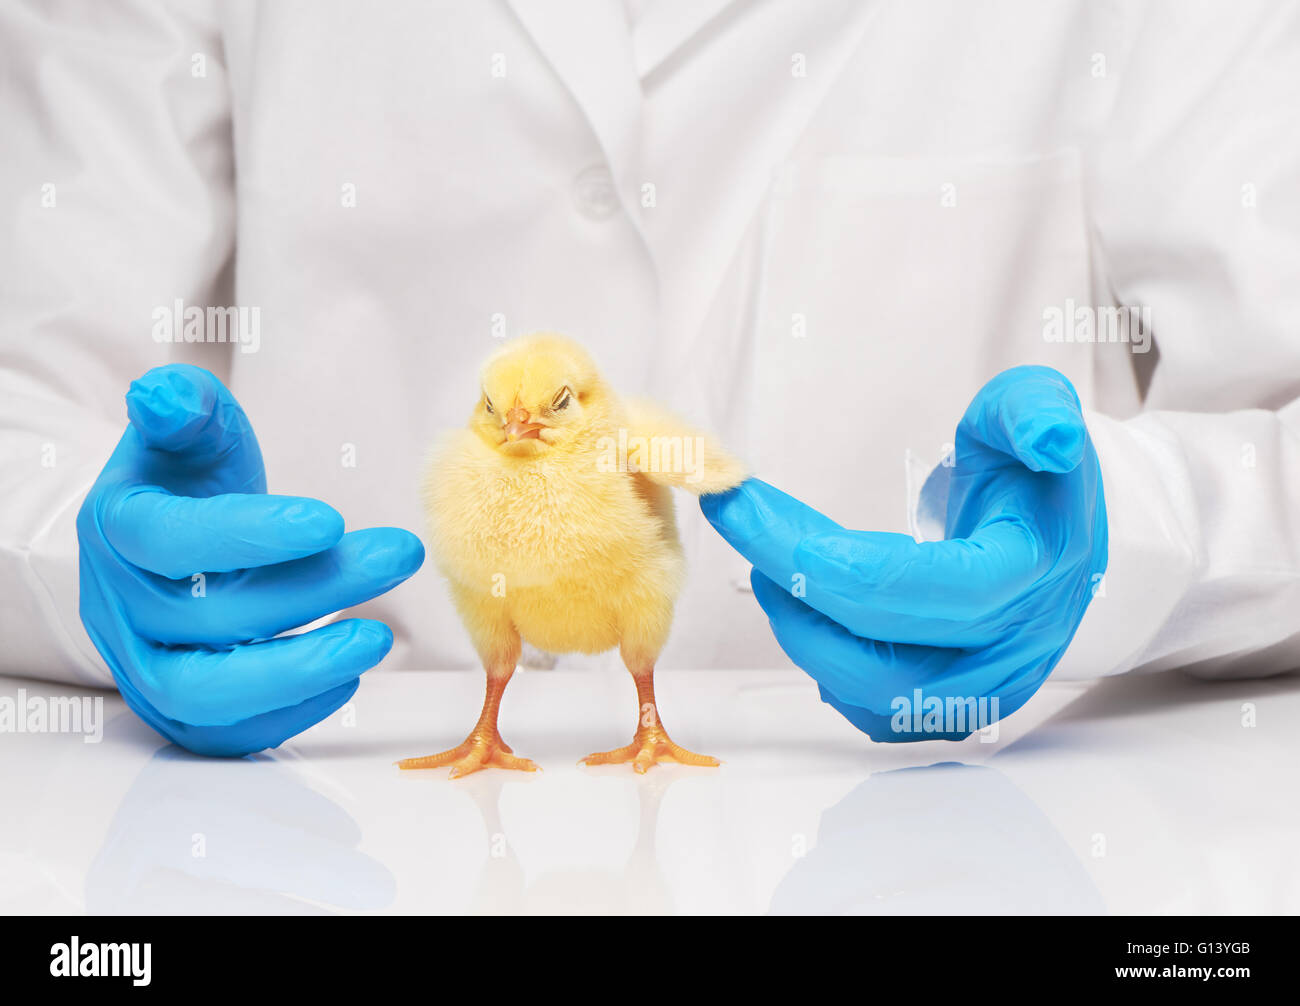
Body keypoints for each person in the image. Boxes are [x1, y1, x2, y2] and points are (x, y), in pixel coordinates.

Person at [3, 1, 1298, 753]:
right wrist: (97, 561)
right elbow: (25, 411)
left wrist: (1132, 539)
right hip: (324, 819)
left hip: (931, 842)